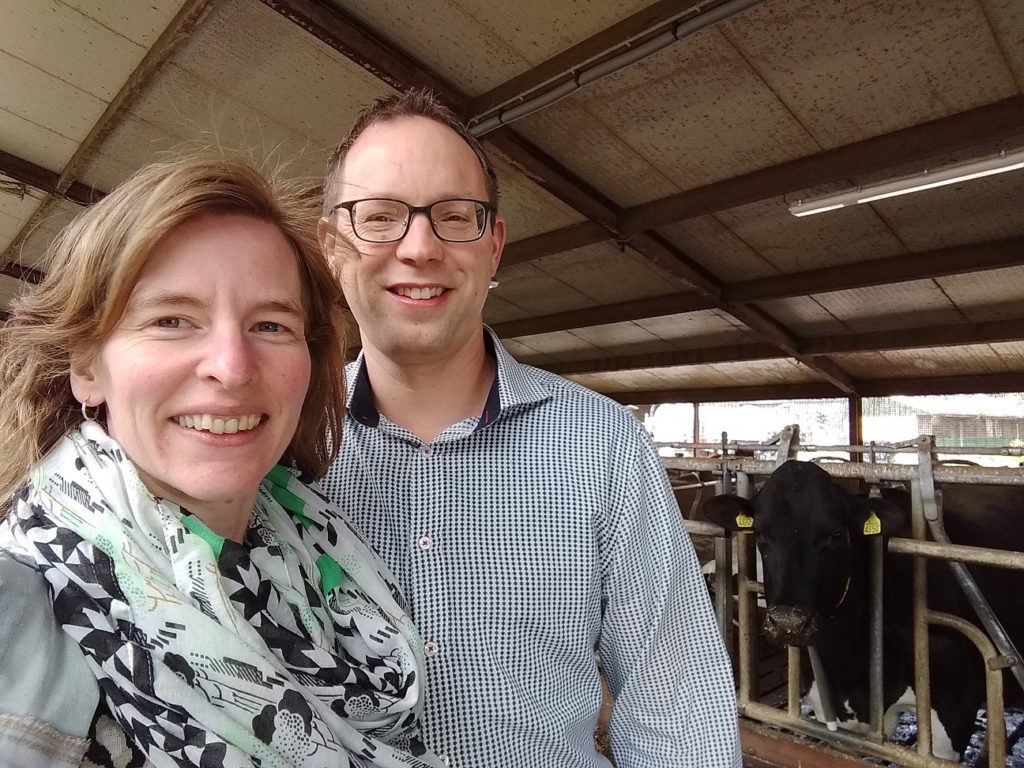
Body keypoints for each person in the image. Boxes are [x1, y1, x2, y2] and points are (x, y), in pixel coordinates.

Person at [317, 90, 741, 767]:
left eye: (455, 217)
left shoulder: (605, 447)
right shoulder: (281, 448)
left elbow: (677, 707)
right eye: (381, 218)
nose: (419, 247)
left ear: (495, 246)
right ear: (331, 245)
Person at [0, 156, 446, 768]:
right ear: (87, 367)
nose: (232, 367)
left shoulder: (325, 565)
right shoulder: (17, 610)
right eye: (172, 320)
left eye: (270, 324)